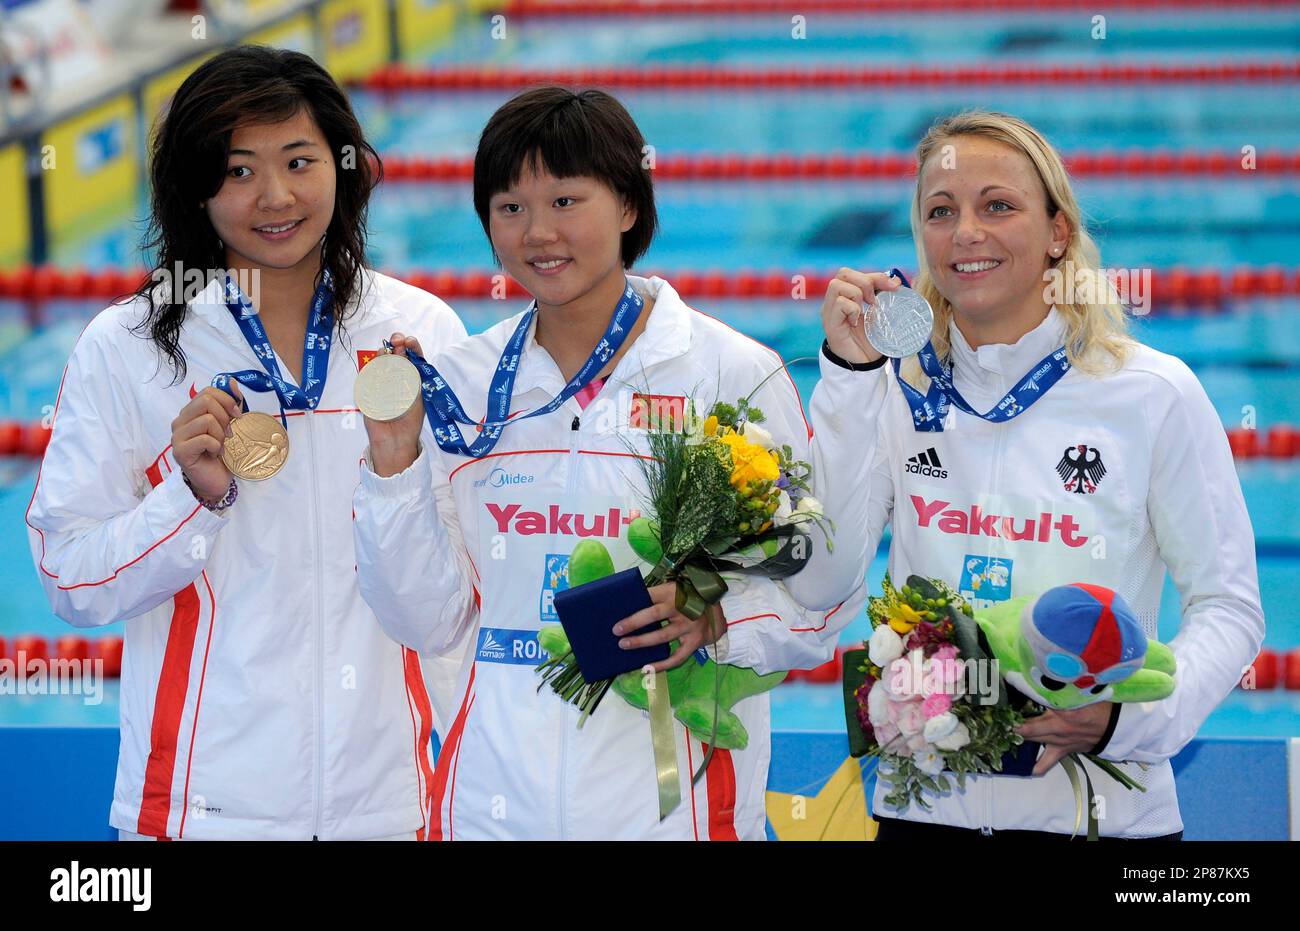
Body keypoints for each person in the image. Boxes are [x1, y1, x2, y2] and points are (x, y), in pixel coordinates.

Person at [351, 86, 854, 840]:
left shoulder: (728, 373)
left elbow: (824, 595)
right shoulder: (461, 384)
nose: (537, 233)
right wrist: (390, 463)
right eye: (510, 207)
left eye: (564, 200)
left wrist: (717, 617)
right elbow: (426, 617)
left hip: (675, 812)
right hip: (492, 806)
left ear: (627, 204)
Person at [25, 46, 466, 840]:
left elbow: (450, 600)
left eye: (300, 161)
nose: (275, 196)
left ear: (344, 165)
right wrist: (188, 500)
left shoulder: (418, 334)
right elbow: (70, 577)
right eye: (236, 171)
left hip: (392, 808)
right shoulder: (127, 346)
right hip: (200, 811)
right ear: (195, 187)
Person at [786, 110, 1265, 839]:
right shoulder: (892, 391)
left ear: (1058, 233)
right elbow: (821, 585)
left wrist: (1126, 720)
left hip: (1104, 816)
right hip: (922, 814)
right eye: (940, 211)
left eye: (998, 205)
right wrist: (850, 378)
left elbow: (1229, 607)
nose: (966, 232)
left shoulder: (1151, 393)